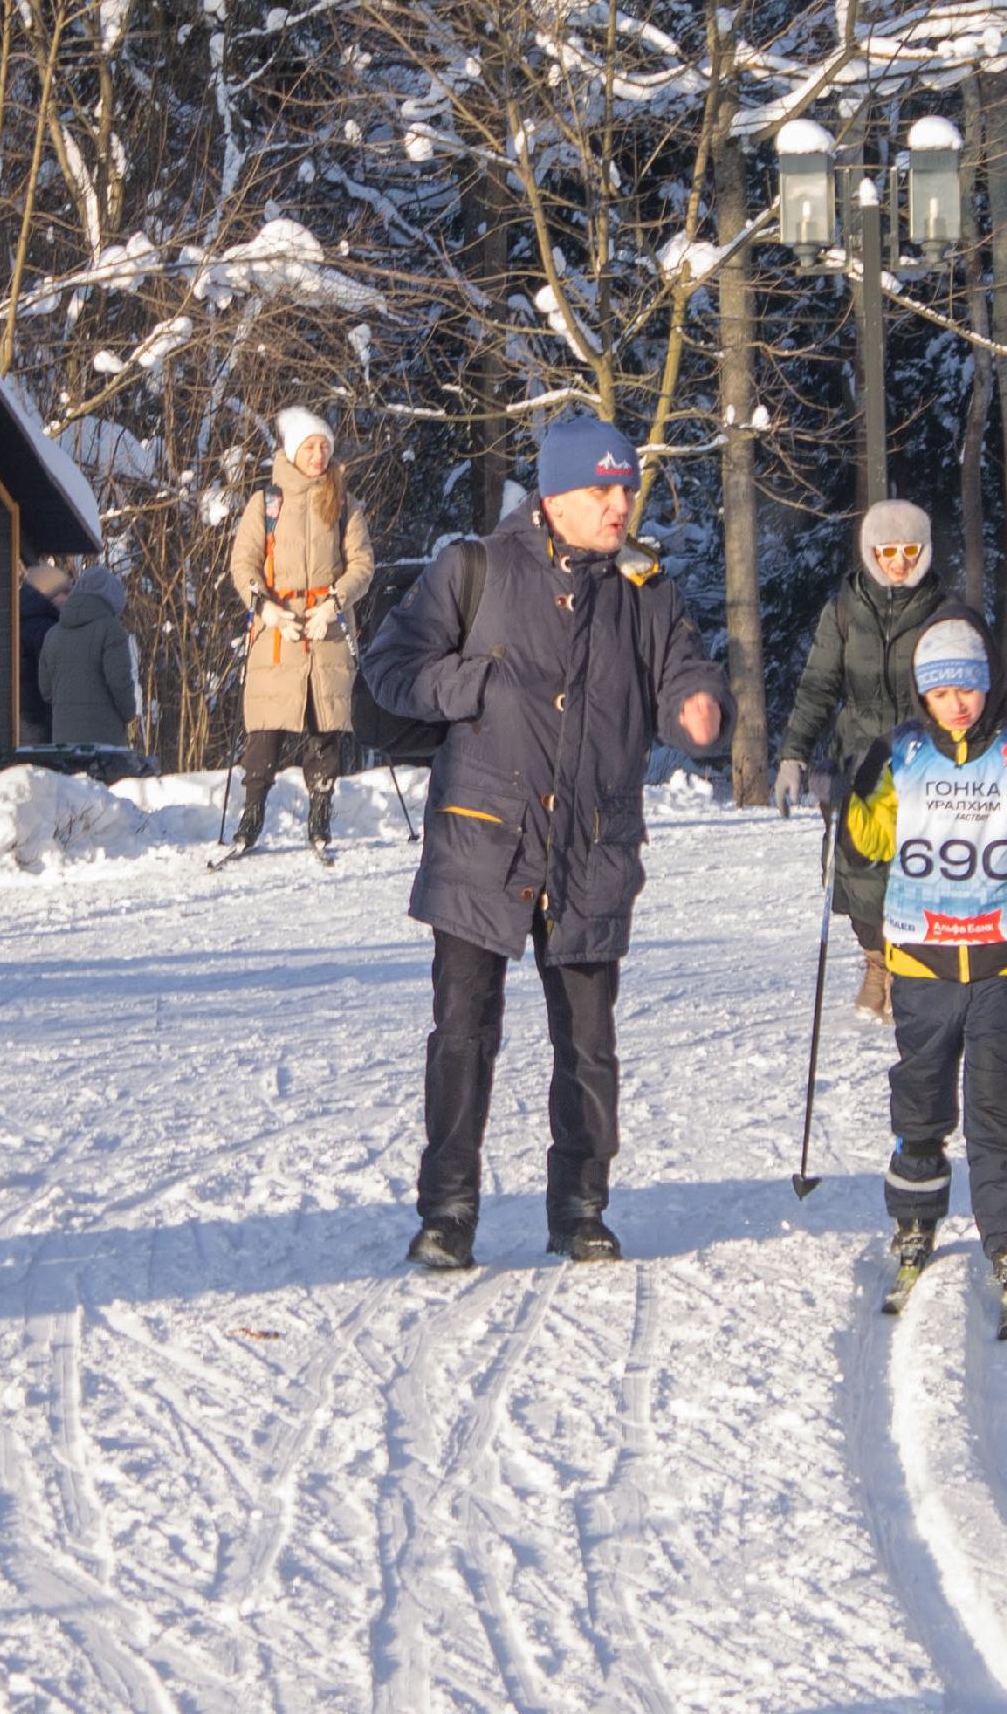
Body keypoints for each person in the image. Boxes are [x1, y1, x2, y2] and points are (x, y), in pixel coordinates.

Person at [362, 412, 730, 1271]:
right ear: (557, 496)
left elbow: (687, 667)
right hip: (483, 841)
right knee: (463, 1034)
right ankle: (447, 1212)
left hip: (593, 846)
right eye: (602, 489)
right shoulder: (473, 568)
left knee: (589, 1043)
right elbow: (390, 668)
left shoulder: (645, 591)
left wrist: (698, 705)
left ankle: (580, 1210)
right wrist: (476, 682)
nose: (620, 503)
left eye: (627, 487)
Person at [840, 608, 1007, 1306]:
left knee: (996, 1100)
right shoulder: (904, 752)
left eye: (966, 689)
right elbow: (866, 843)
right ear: (921, 695)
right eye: (940, 693)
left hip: (1000, 958)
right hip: (920, 959)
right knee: (921, 1097)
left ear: (987, 686)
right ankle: (914, 1220)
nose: (955, 704)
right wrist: (854, 784)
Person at [773, 498, 946, 1023]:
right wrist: (794, 755)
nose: (899, 562)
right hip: (862, 760)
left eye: (909, 550)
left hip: (927, 760)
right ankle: (877, 960)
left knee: (926, 870)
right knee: (861, 871)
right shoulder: (844, 610)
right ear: (871, 553)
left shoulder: (943, 611)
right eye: (887, 551)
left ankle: (918, 969)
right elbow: (818, 687)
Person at [227, 408, 375, 855]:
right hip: (278, 629)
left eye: (324, 446)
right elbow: (242, 564)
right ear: (292, 451)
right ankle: (251, 815)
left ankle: (321, 816)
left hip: (325, 627)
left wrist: (335, 603)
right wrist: (265, 609)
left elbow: (363, 565)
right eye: (310, 446)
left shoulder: (346, 503)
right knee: (265, 727)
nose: (319, 454)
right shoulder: (265, 503)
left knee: (323, 725)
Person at [38, 563, 138, 746]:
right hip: (106, 740)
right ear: (112, 600)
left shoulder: (52, 634)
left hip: (63, 740)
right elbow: (119, 682)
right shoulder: (111, 631)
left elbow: (46, 691)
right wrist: (129, 713)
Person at [19, 563, 69, 742]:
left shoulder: (22, 620)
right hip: (39, 719)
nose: (69, 598)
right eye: (65, 592)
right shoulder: (45, 628)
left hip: (24, 716)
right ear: (49, 595)